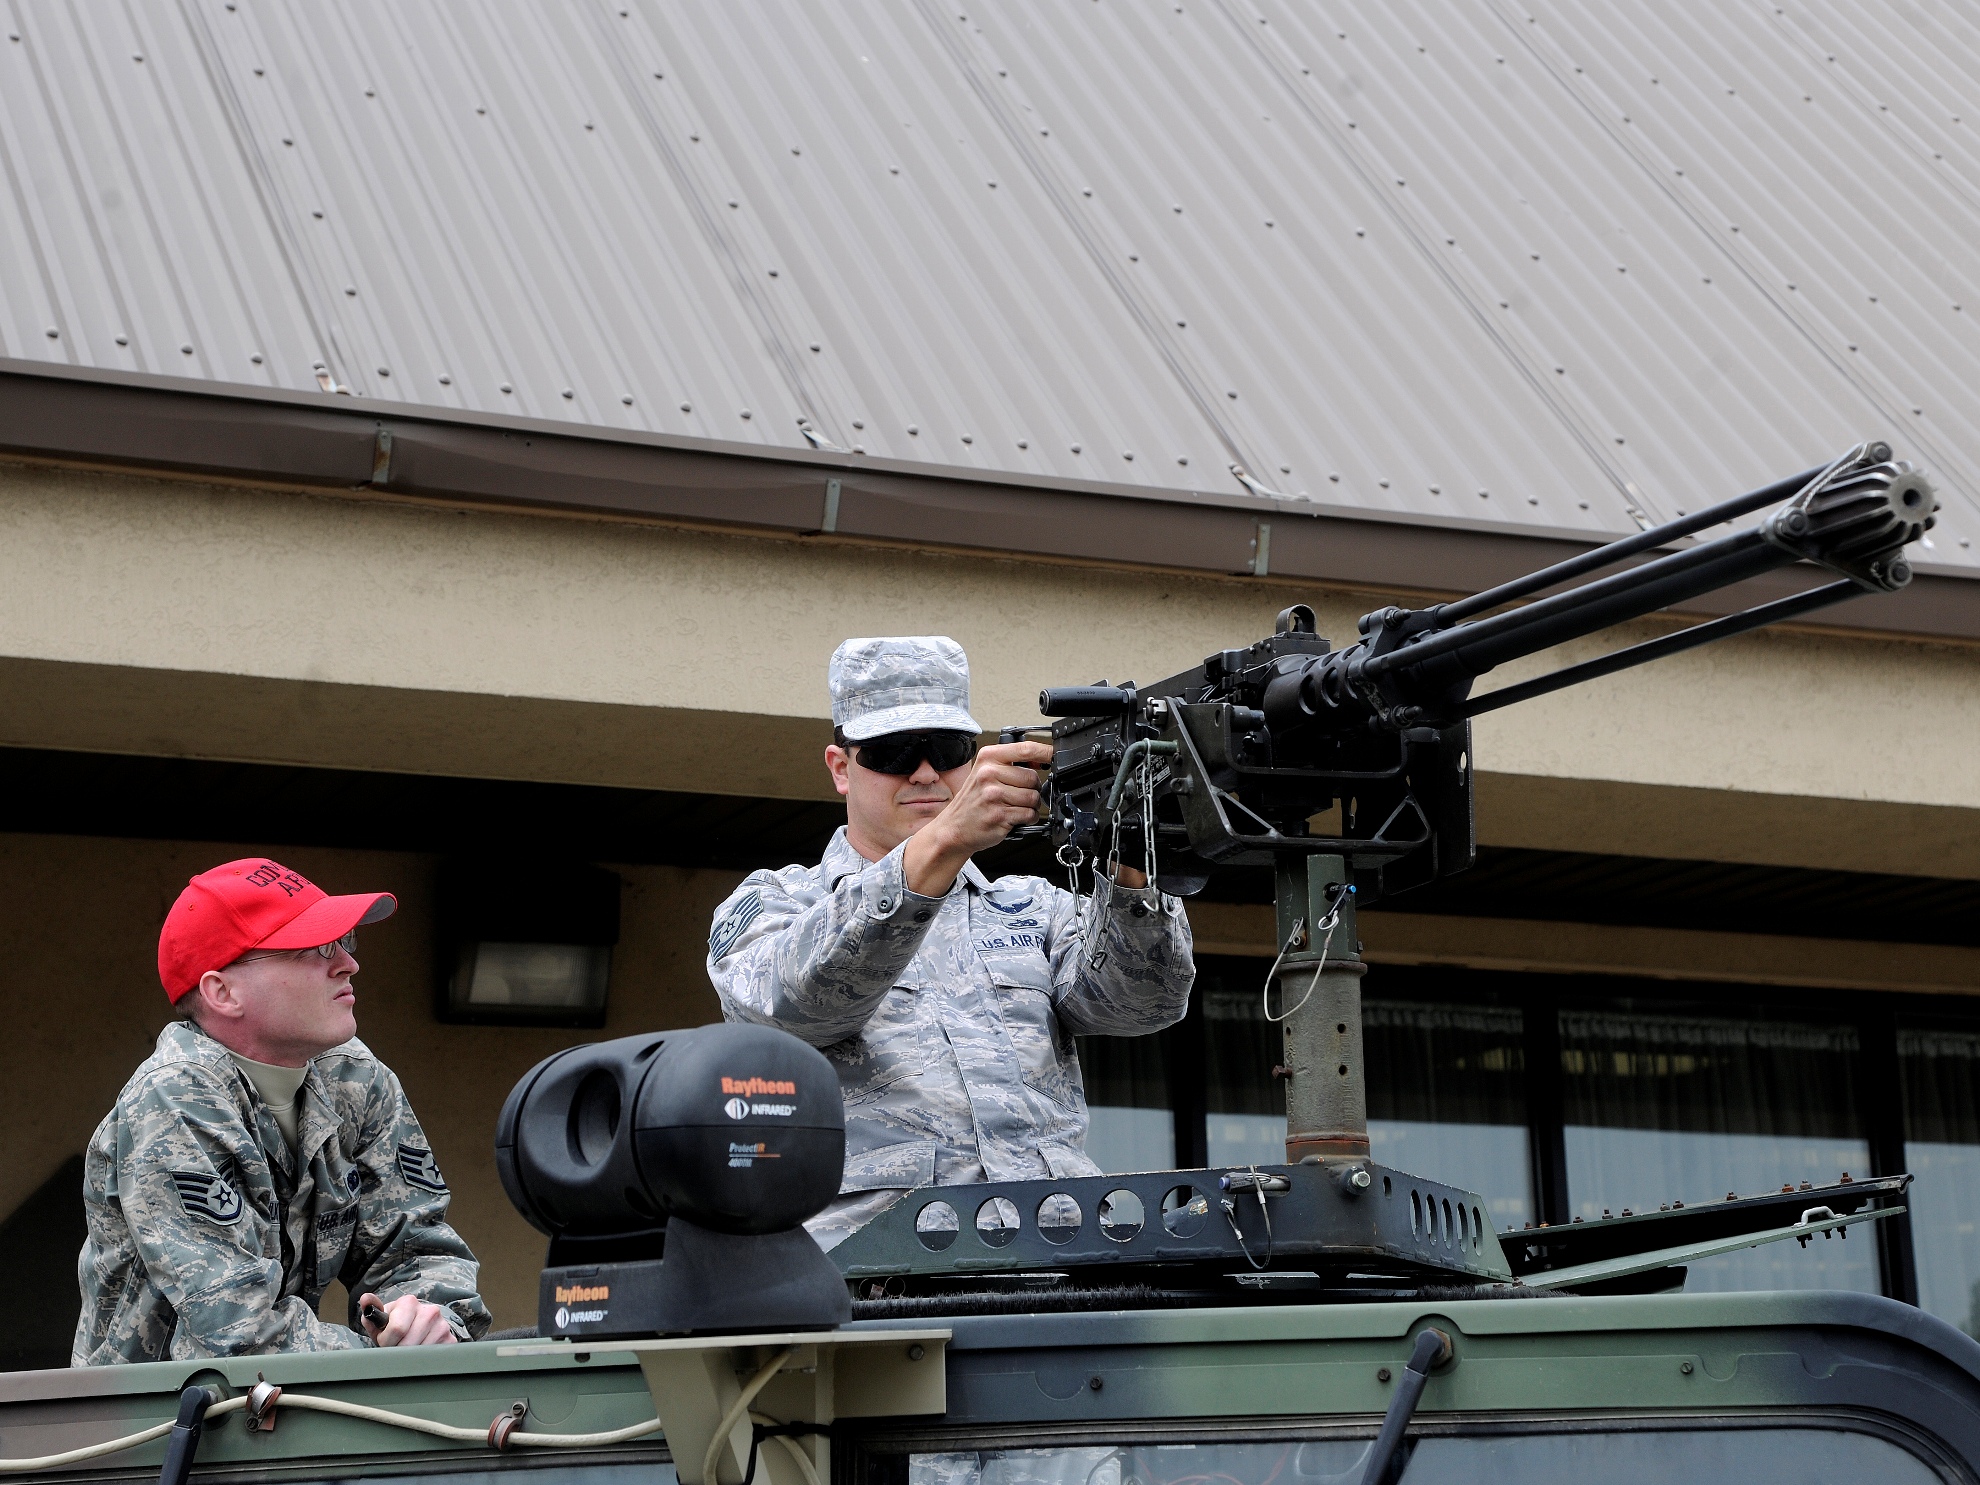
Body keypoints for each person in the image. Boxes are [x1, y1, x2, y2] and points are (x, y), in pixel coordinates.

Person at [709, 636, 1195, 1248]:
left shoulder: (1030, 906)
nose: (924, 773)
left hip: (1062, 1253)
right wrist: (944, 843)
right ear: (840, 767)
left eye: (947, 750)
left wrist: (1132, 856)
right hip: (875, 1267)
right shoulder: (778, 903)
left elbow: (1141, 1005)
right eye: (891, 753)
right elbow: (798, 1006)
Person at [73, 857, 491, 1365]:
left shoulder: (355, 1078)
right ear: (222, 992)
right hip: (157, 1428)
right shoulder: (175, 1096)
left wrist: (430, 1322)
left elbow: (418, 1249)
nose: (347, 963)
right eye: (314, 948)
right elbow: (239, 1331)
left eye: (344, 942)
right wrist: (388, 1358)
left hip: (290, 1408)